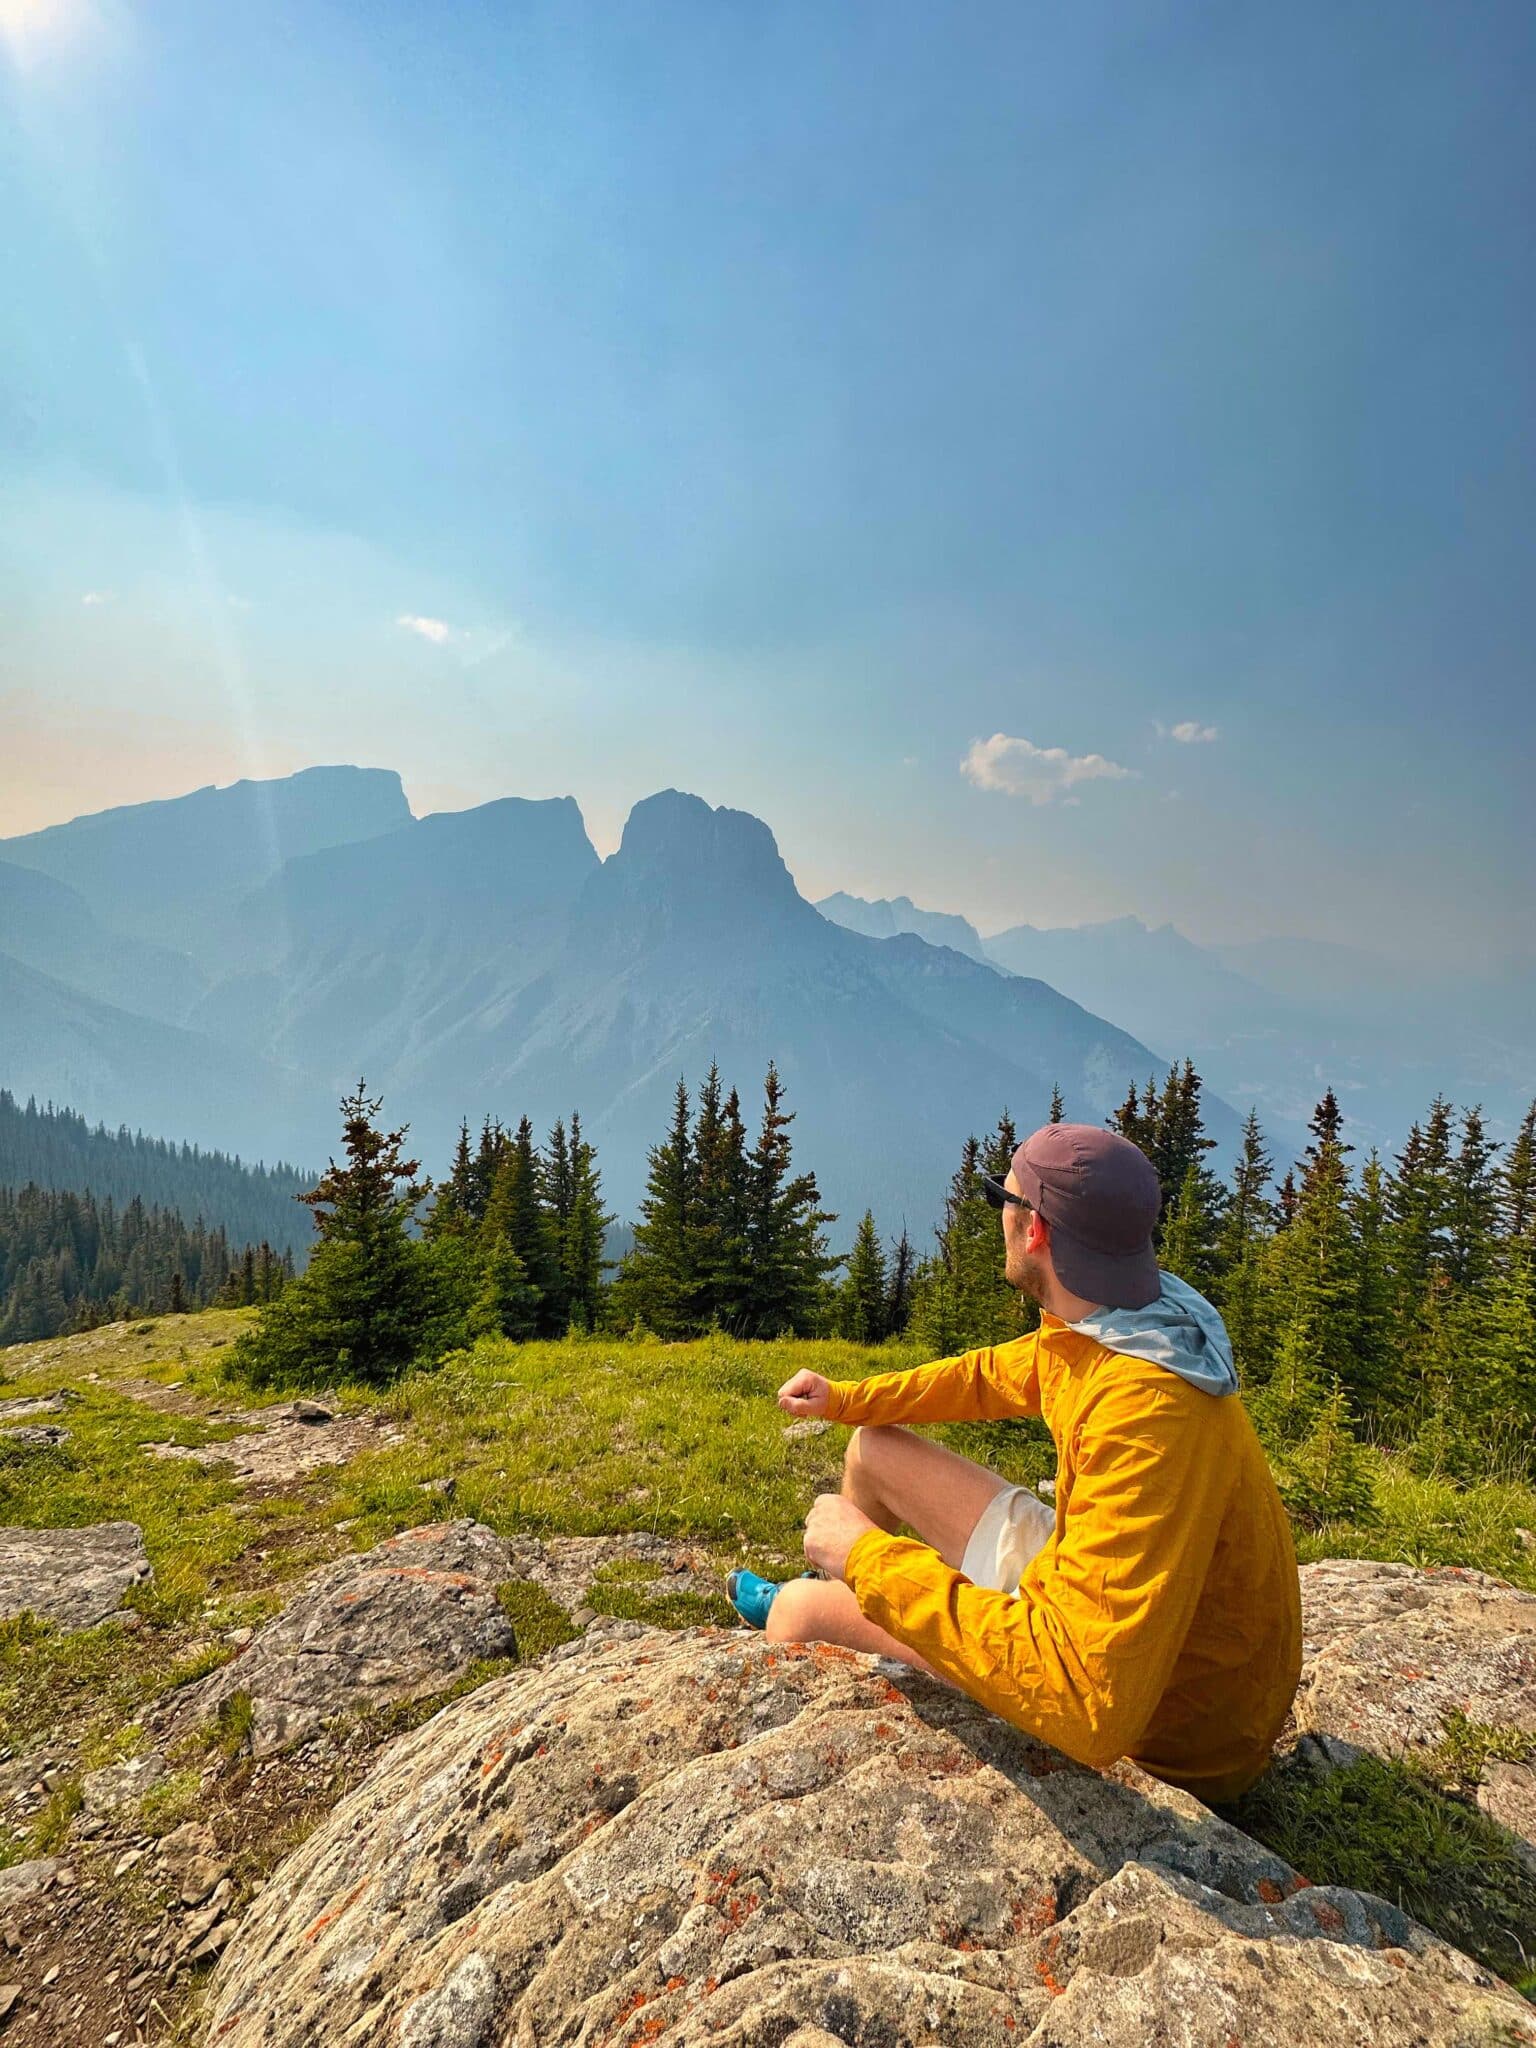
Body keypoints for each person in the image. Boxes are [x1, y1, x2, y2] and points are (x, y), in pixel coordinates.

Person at [727, 1121, 1303, 1805]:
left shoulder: (1146, 1412)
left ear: (1035, 1231)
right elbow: (996, 1374)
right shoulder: (1128, 1318)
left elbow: (1086, 1707)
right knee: (873, 1445)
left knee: (796, 1615)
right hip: (1111, 1618)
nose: (997, 1214)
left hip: (1163, 1735)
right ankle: (837, 1589)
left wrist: (868, 1558)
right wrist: (848, 1399)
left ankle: (820, 1599)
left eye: (1002, 1198)